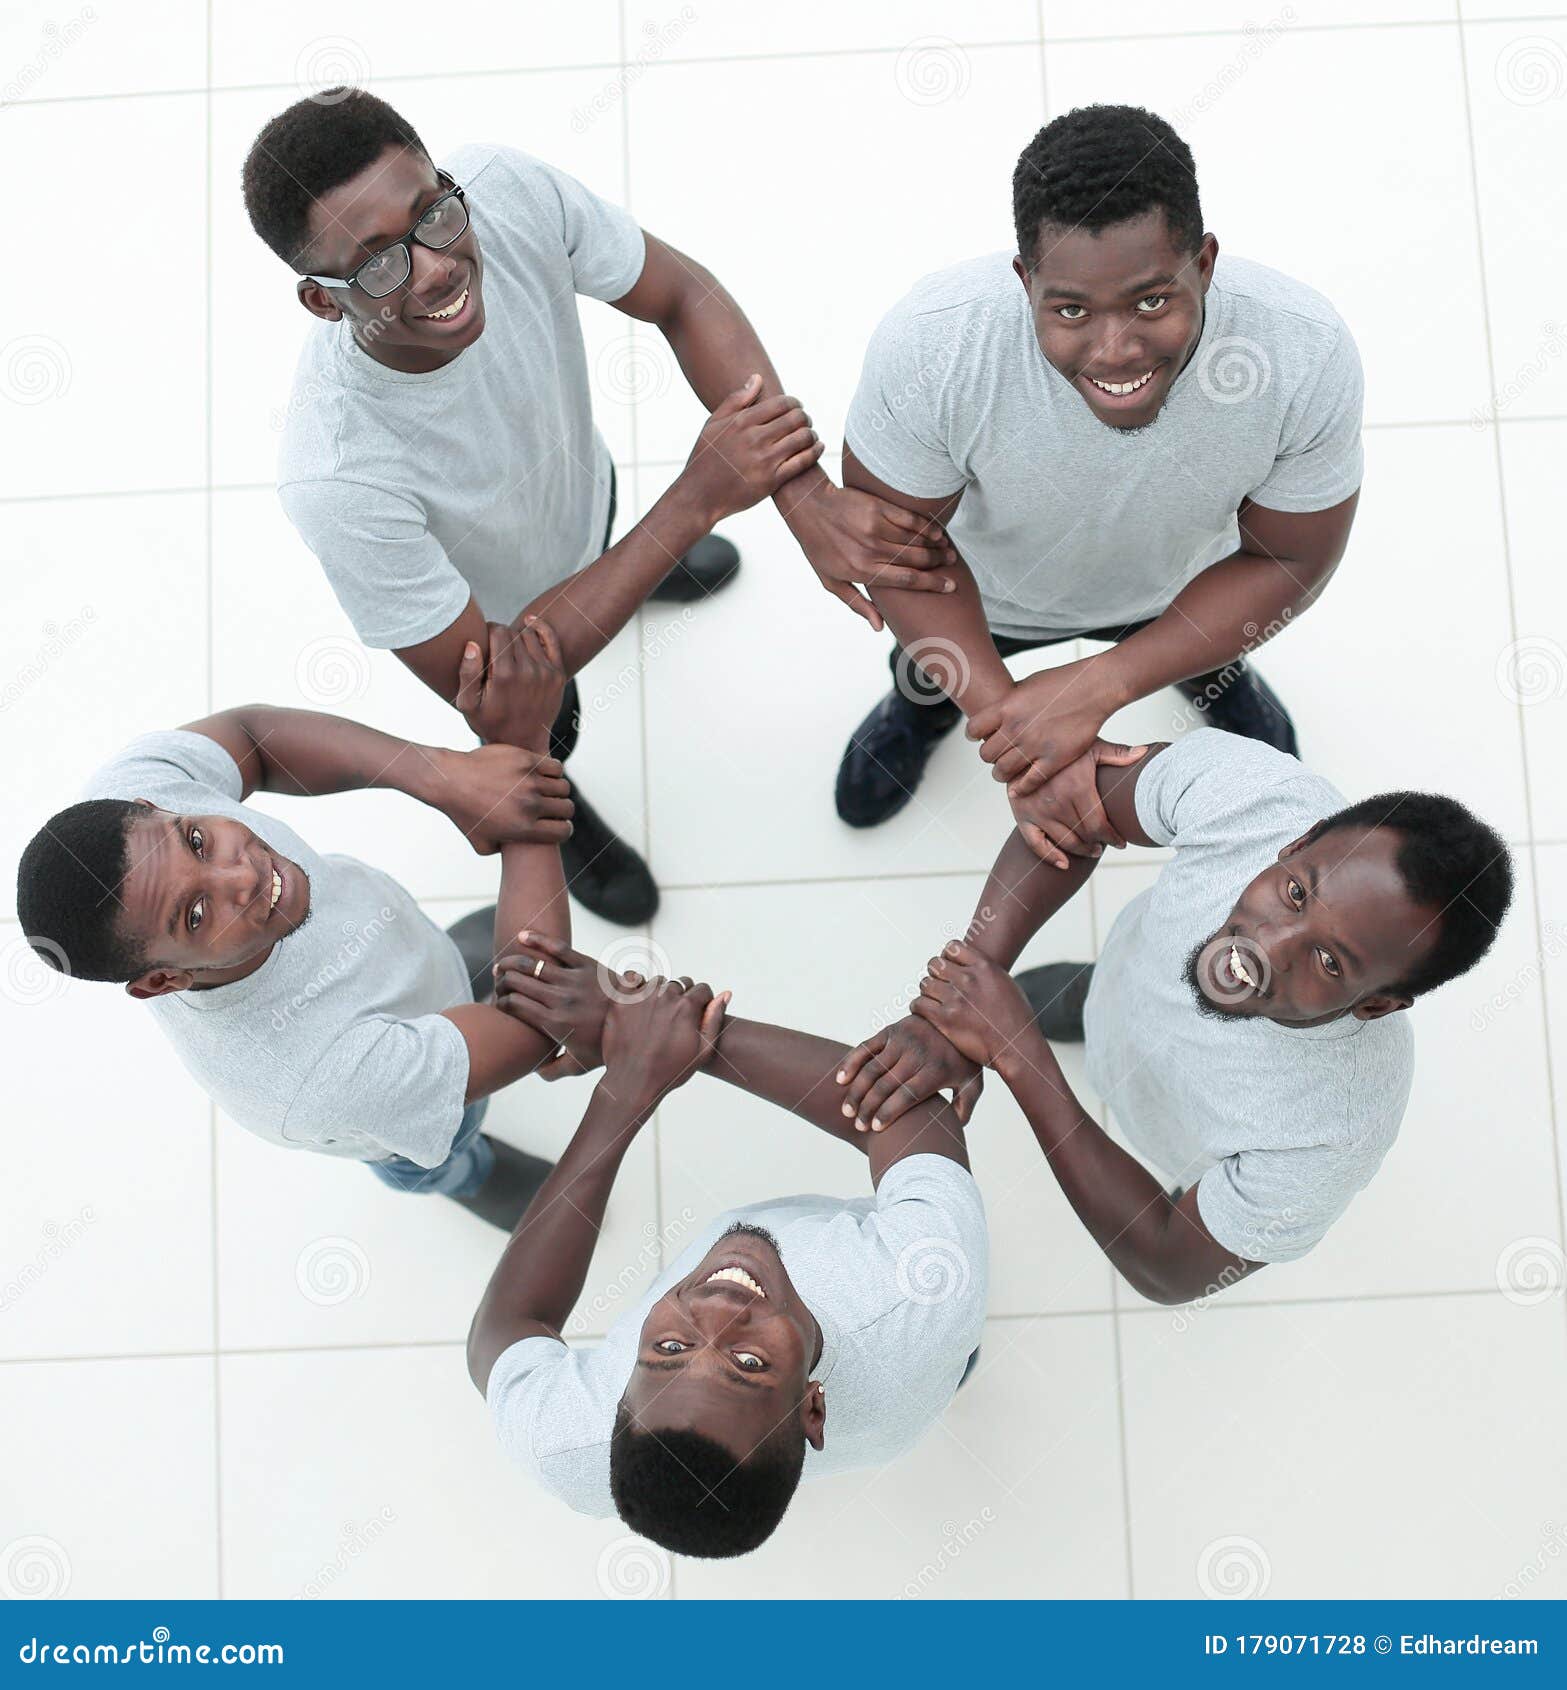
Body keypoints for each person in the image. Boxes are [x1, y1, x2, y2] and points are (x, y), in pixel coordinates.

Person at [14, 383, 813, 1228]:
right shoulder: (318, 1080)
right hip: (397, 1102)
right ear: (165, 980)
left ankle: (446, 966)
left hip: (401, 955)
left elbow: (252, 736)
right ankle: (466, 1175)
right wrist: (522, 750)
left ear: (155, 804)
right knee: (437, 1144)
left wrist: (435, 773)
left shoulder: (131, 799)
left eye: (199, 839)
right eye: (199, 909)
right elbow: (533, 1026)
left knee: (450, 953)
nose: (241, 868)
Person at [242, 87, 959, 922]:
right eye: (376, 263)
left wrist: (803, 500)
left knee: (608, 535)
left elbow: (681, 294)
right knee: (544, 737)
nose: (435, 264)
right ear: (324, 300)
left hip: (585, 493)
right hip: (513, 625)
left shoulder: (503, 188)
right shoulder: (335, 477)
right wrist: (694, 502)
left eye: (433, 213)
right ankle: (567, 813)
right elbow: (501, 682)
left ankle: (632, 569)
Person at [836, 729, 1513, 1304]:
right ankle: (1077, 1002)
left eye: (1330, 963)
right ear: (1295, 841)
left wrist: (1014, 1049)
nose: (1265, 948)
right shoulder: (1256, 796)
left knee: (1044, 1024)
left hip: (1177, 1135)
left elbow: (1166, 1264)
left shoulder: (1333, 1135)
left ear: (1377, 1003)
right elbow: (1071, 810)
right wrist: (968, 986)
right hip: (1121, 984)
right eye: (1295, 892)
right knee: (1087, 996)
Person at [834, 103, 1365, 834]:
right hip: (983, 602)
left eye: (1151, 300)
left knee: (1207, 652)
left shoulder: (1302, 352)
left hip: (1187, 592)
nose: (1115, 351)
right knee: (924, 676)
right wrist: (1009, 724)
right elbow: (892, 549)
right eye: (1072, 311)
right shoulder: (933, 348)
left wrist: (1102, 684)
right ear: (1024, 281)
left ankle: (1201, 672)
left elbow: (1292, 556)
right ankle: (919, 709)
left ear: (1203, 265)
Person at [466, 943, 987, 1557]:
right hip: (912, 1360)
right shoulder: (917, 1289)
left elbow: (507, 1327)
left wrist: (628, 1085)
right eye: (748, 1365)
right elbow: (909, 1117)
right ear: (813, 1406)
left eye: (668, 1348)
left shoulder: (566, 1442)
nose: (715, 1309)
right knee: (947, 1354)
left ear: (617, 1399)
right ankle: (957, 1367)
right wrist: (688, 1040)